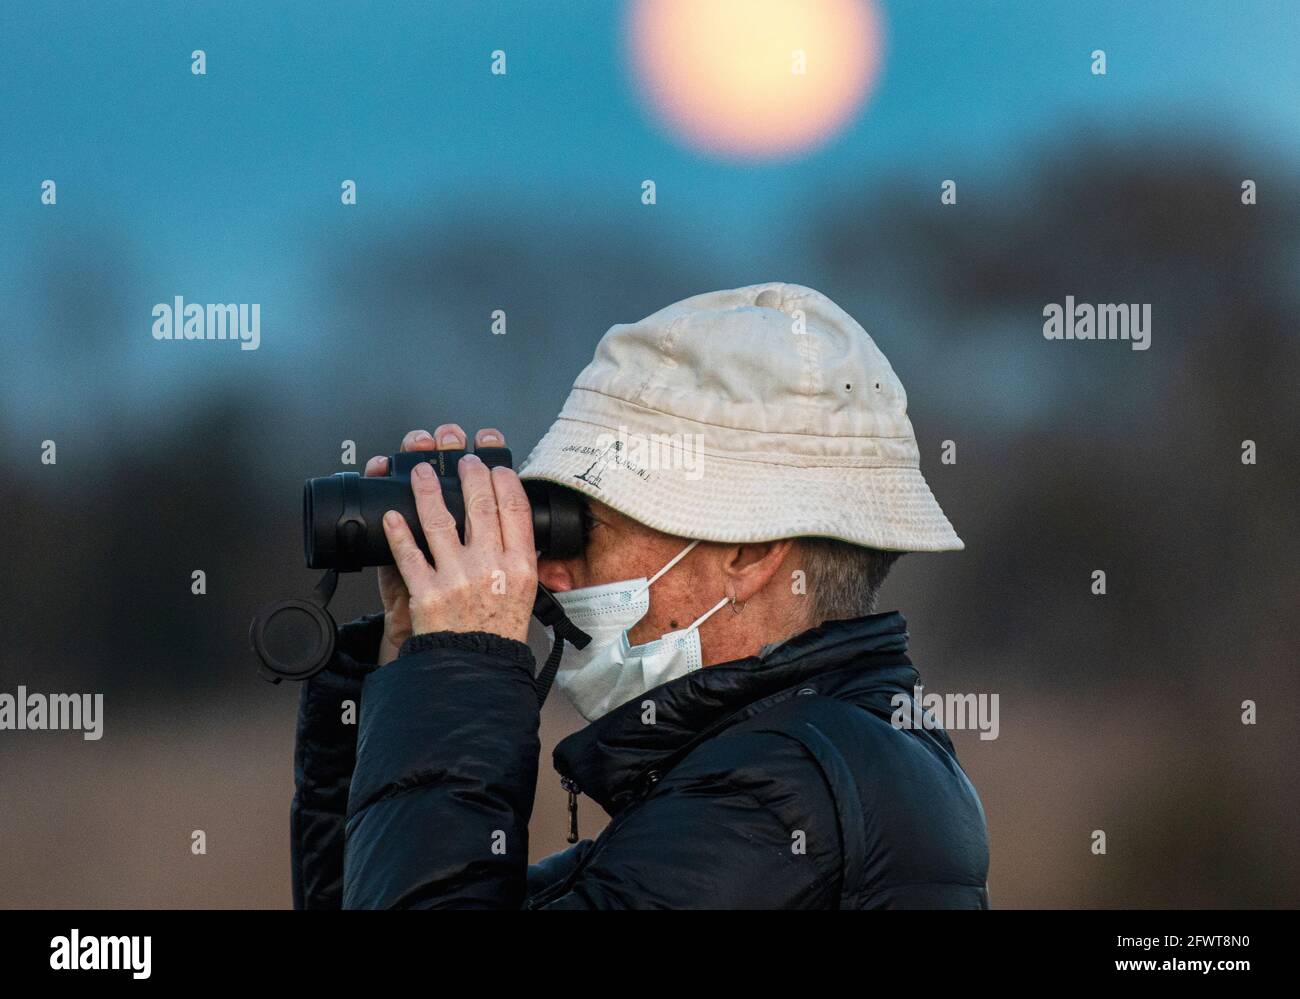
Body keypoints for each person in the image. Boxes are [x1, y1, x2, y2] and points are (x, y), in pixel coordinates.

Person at [291, 282, 990, 909]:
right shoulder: (831, 763)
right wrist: (408, 663)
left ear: (745, 551)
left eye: (582, 528)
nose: (550, 575)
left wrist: (455, 676)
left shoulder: (779, 800)